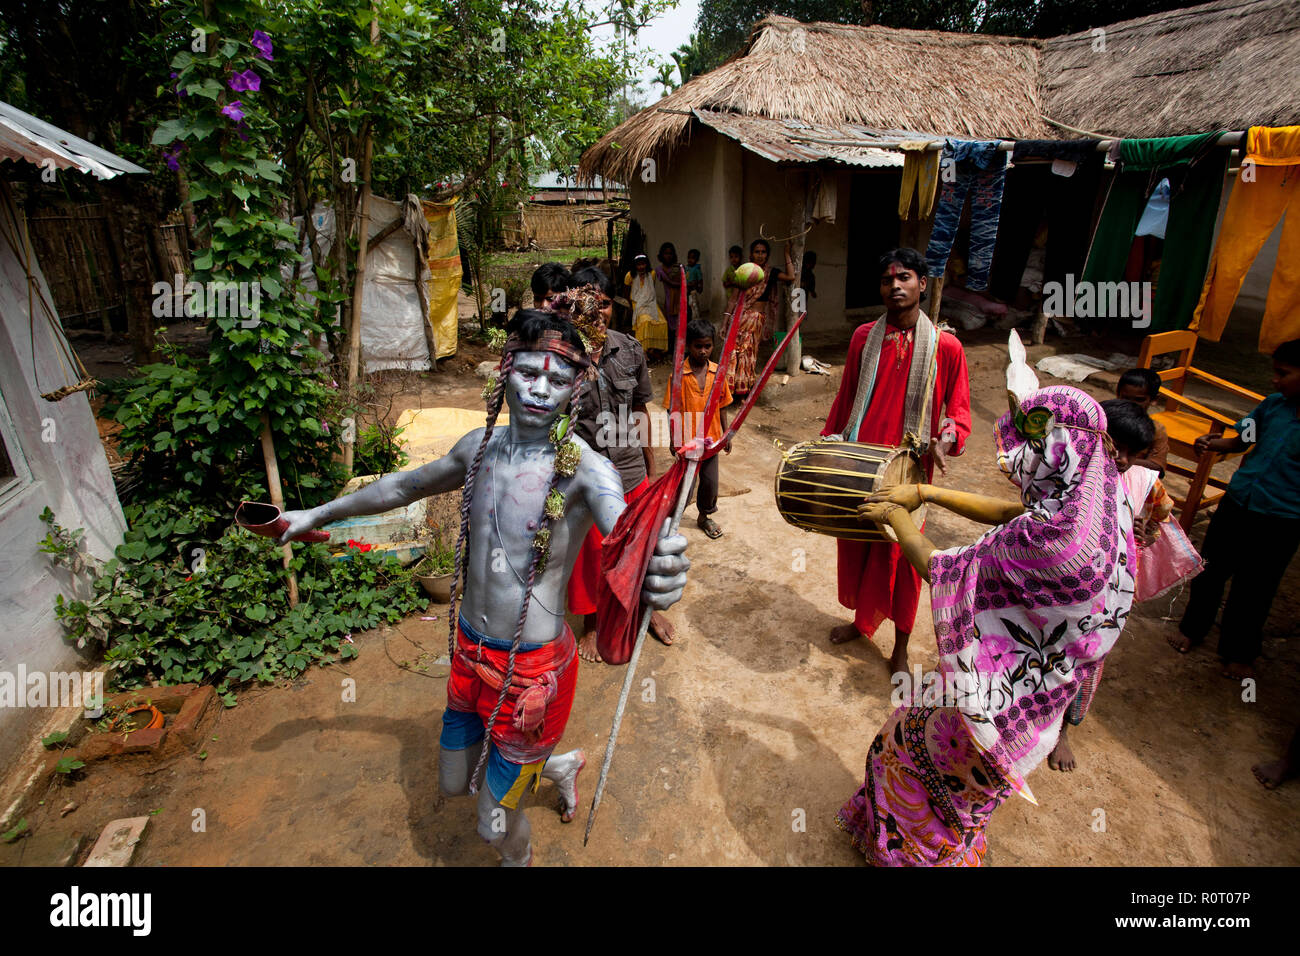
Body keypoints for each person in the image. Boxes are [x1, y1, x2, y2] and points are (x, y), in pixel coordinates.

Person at [276, 310, 690, 866]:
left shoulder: (587, 471)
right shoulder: (478, 448)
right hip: (470, 653)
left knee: (494, 824)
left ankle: (518, 859)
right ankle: (560, 766)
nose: (541, 390)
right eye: (528, 373)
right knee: (452, 783)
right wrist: (315, 514)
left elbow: (626, 538)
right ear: (504, 371)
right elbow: (403, 485)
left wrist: (655, 567)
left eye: (559, 380)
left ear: (577, 388)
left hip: (533, 675)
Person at [843, 380, 1138, 866]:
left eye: (1035, 445)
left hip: (983, 703)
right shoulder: (1101, 500)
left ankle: (907, 855)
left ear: (1059, 446)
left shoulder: (1051, 543)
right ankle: (952, 850)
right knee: (970, 799)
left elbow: (941, 569)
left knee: (900, 757)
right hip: (1037, 706)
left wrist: (896, 515)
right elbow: (1013, 510)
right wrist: (925, 491)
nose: (1021, 456)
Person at [820, 248, 972, 675]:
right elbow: (846, 397)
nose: (895, 286)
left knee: (904, 560)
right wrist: (829, 446)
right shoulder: (863, 337)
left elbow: (957, 413)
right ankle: (861, 621)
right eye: (888, 280)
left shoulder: (947, 347)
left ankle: (901, 647)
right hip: (860, 462)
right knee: (861, 545)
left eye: (904, 277)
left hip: (908, 472)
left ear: (923, 284)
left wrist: (946, 438)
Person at [560, 269, 675, 663]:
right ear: (573, 306)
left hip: (628, 467)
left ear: (613, 306)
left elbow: (641, 408)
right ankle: (592, 622)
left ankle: (649, 608)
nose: (597, 312)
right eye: (587, 304)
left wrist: (651, 462)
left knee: (640, 543)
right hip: (585, 473)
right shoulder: (560, 355)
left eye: (605, 303)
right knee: (591, 551)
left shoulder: (630, 349)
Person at [1173, 339, 1300, 680]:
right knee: (1210, 570)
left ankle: (1239, 651)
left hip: (1282, 520)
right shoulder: (1273, 406)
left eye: (1283, 374)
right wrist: (1212, 443)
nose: (1275, 381)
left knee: (1256, 587)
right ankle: (1193, 628)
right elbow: (1242, 439)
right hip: (1238, 503)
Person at [1048, 398, 1158, 773]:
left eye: (1133, 452)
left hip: (1103, 599)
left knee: (1085, 661)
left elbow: (1159, 520)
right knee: (1045, 655)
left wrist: (1147, 530)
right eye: (1116, 446)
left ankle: (1063, 730)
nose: (1123, 458)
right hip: (1059, 589)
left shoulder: (1143, 483)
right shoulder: (1068, 473)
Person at [664, 318, 732, 539]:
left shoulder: (718, 373)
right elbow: (672, 411)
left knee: (710, 482)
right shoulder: (678, 375)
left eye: (708, 346)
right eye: (698, 346)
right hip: (688, 441)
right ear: (688, 346)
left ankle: (705, 515)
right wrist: (674, 440)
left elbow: (722, 405)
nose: (703, 351)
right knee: (685, 484)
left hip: (712, 440)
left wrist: (726, 433)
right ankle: (671, 519)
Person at [728, 239, 795, 397]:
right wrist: (726, 320)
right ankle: (730, 391)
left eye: (763, 252)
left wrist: (786, 254)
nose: (760, 255)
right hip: (741, 317)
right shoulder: (745, 271)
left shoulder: (771, 273)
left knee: (749, 355)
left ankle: (742, 392)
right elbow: (733, 298)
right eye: (757, 251)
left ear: (767, 254)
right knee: (734, 354)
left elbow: (790, 277)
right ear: (751, 254)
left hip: (756, 319)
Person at [1116, 368, 1170, 474]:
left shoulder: (1156, 430)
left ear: (1154, 399)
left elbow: (1157, 465)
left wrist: (1128, 462)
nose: (1130, 404)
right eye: (1125, 398)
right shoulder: (1105, 418)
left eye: (1139, 400)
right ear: (1118, 394)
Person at [626, 253, 668, 353]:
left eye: (643, 264)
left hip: (650, 302)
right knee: (645, 321)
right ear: (635, 265)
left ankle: (654, 348)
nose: (641, 267)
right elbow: (626, 291)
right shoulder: (630, 275)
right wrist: (630, 307)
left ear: (647, 264)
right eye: (638, 264)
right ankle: (643, 349)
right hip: (637, 303)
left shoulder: (652, 273)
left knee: (662, 322)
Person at [654, 242, 684, 341]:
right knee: (670, 324)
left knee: (681, 323)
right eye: (666, 253)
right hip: (669, 300)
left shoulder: (678, 268)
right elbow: (671, 283)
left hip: (680, 299)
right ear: (661, 255)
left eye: (670, 253)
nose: (668, 256)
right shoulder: (659, 270)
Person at [685, 248, 704, 319]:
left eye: (693, 258)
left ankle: (696, 319)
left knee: (694, 306)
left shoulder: (696, 269)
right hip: (687, 291)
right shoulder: (686, 268)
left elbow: (700, 280)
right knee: (687, 306)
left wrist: (700, 287)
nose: (690, 259)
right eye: (689, 257)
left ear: (697, 260)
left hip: (693, 291)